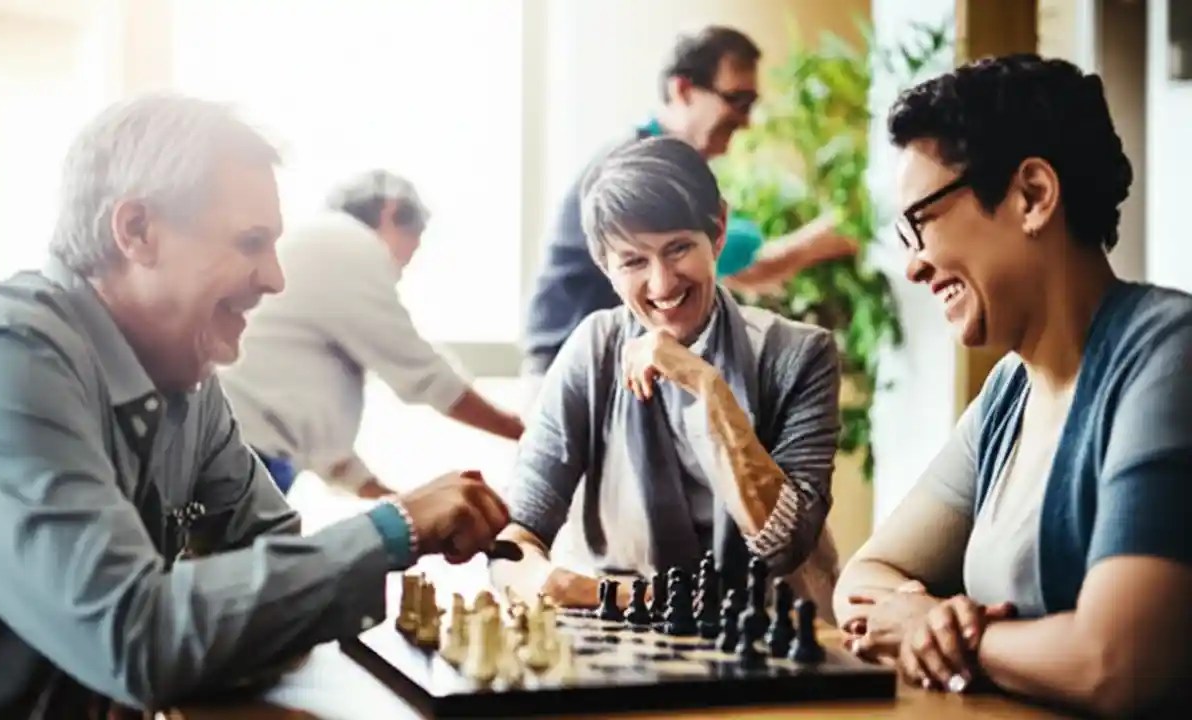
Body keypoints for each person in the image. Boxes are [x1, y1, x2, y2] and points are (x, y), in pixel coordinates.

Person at [0, 94, 510, 717]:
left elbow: (279, 583)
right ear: (136, 231)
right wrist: (395, 527)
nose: (276, 279)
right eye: (251, 243)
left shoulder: (189, 386)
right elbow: (135, 636)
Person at [833, 55, 1192, 717]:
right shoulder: (1008, 393)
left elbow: (1119, 664)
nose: (913, 266)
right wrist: (922, 614)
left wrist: (938, 632)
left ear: (1031, 195)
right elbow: (861, 582)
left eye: (922, 222)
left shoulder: (1169, 354)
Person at [491, 136, 843, 622]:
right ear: (604, 265)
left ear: (718, 231)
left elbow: (785, 545)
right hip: (628, 628)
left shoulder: (800, 355)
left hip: (770, 629)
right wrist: (567, 585)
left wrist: (708, 388)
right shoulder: (593, 353)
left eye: (678, 249)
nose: (662, 284)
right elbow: (515, 540)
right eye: (633, 261)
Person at [521, 25, 857, 392]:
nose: (746, 119)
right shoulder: (640, 167)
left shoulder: (660, 162)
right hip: (573, 375)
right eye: (737, 100)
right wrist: (830, 236)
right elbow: (744, 262)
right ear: (682, 90)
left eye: (751, 104)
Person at [219, 169, 524, 498]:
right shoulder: (346, 242)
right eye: (414, 244)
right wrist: (530, 434)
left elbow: (330, 452)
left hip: (251, 449)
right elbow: (424, 376)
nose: (402, 268)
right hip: (243, 454)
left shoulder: (316, 255)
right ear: (391, 211)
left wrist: (406, 508)